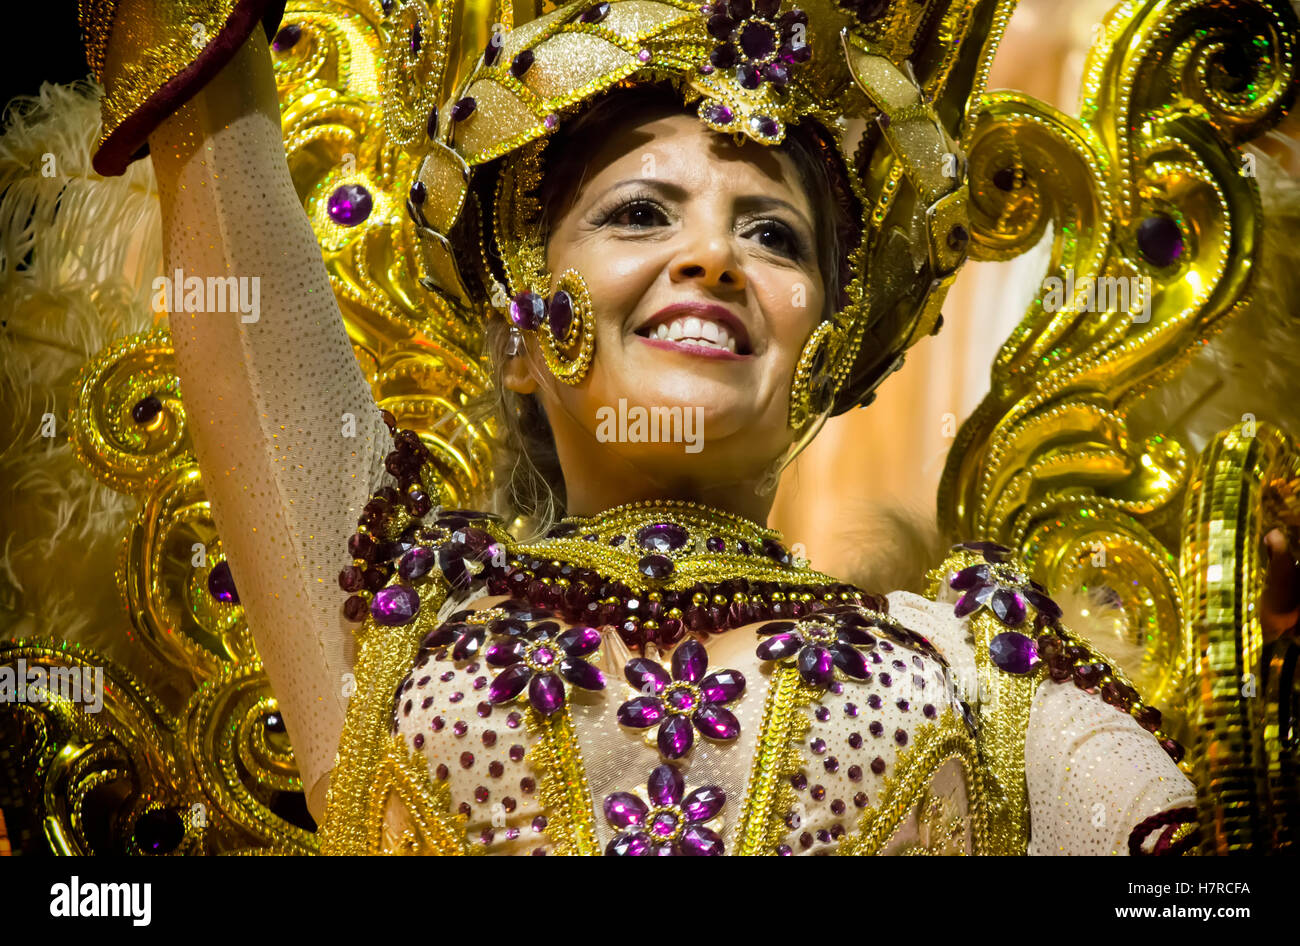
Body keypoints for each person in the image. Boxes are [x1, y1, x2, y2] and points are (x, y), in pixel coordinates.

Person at [79, 0, 1216, 855]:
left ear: (824, 343)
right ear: (520, 329)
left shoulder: (975, 674)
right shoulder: (389, 620)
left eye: (772, 236)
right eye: (638, 213)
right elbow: (221, 175)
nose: (713, 257)